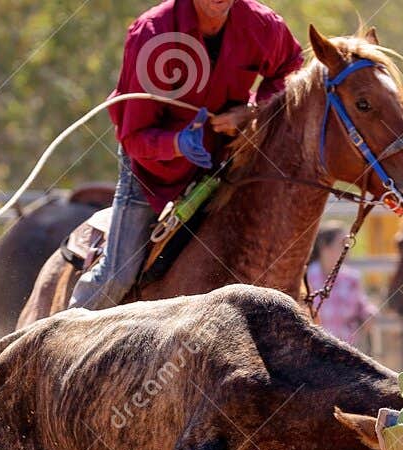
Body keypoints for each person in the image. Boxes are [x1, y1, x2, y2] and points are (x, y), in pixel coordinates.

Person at [72, 0, 304, 310]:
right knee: (117, 274)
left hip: (223, 159)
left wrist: (253, 111)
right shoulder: (152, 32)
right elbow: (133, 137)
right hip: (151, 170)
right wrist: (178, 143)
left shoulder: (262, 24)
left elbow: (292, 67)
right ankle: (54, 345)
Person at [306, 226, 374, 343]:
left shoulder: (352, 279)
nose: (347, 250)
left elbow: (362, 306)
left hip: (346, 350)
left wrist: (369, 314)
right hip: (314, 349)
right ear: (324, 247)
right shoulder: (306, 279)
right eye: (343, 245)